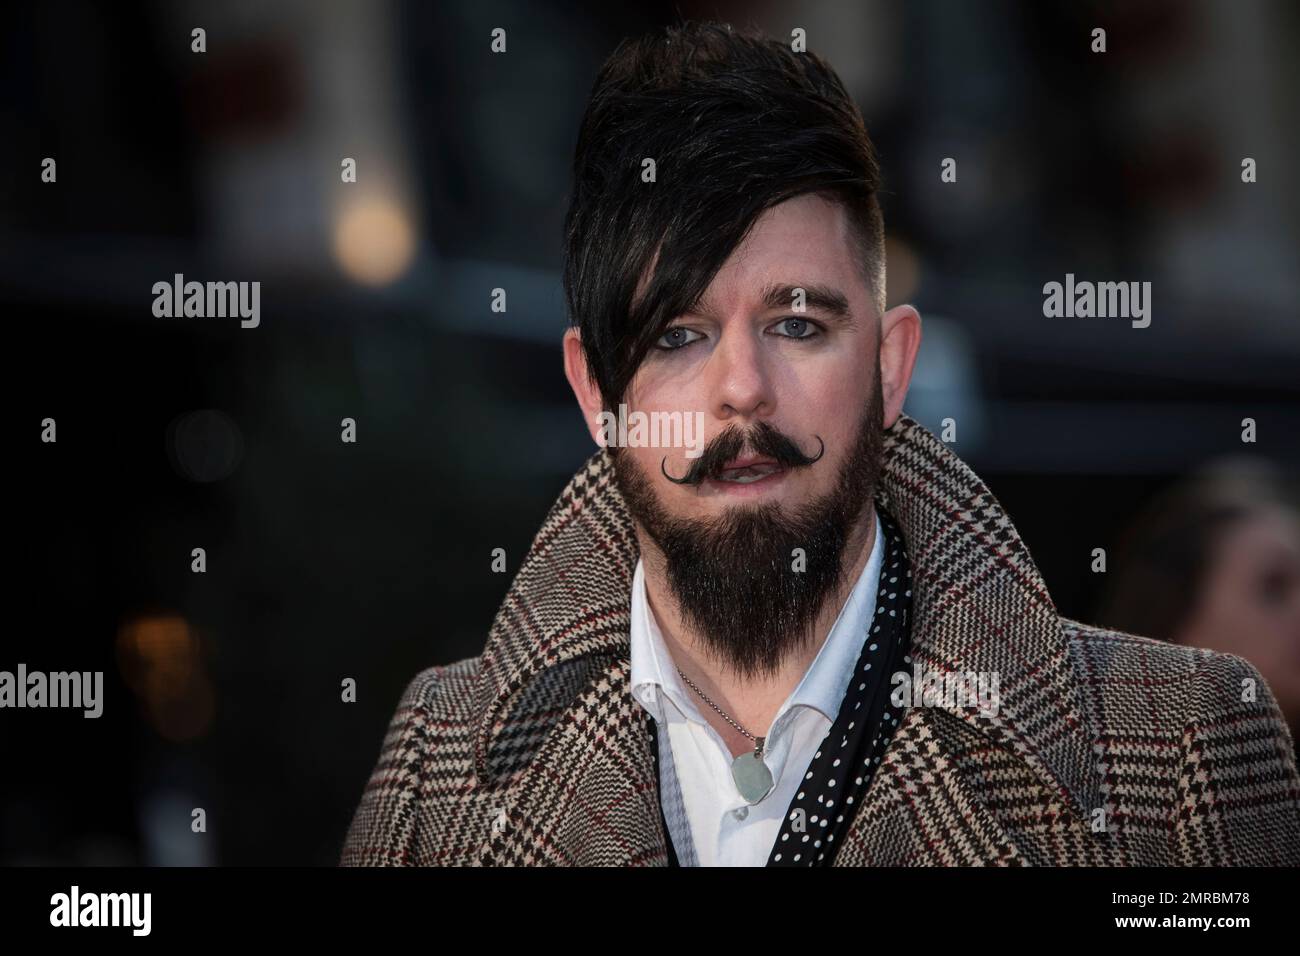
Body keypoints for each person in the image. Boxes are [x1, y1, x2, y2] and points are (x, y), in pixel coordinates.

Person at [341, 21, 1300, 866]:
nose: (743, 390)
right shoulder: (442, 764)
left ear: (891, 368)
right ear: (597, 394)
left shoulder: (1179, 746)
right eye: (677, 336)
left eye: (798, 322)